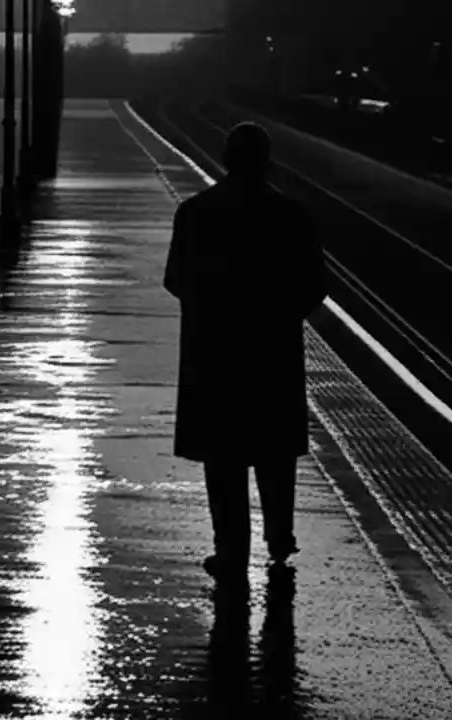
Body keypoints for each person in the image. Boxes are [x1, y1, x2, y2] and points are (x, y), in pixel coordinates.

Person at [163, 122, 327, 582]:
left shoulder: (195, 213)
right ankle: (279, 537)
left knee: (224, 457)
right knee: (274, 450)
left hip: (214, 354)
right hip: (273, 353)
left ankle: (230, 548)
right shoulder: (292, 215)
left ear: (227, 158)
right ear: (266, 159)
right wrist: (278, 312)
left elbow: (175, 279)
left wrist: (212, 309)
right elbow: (315, 286)